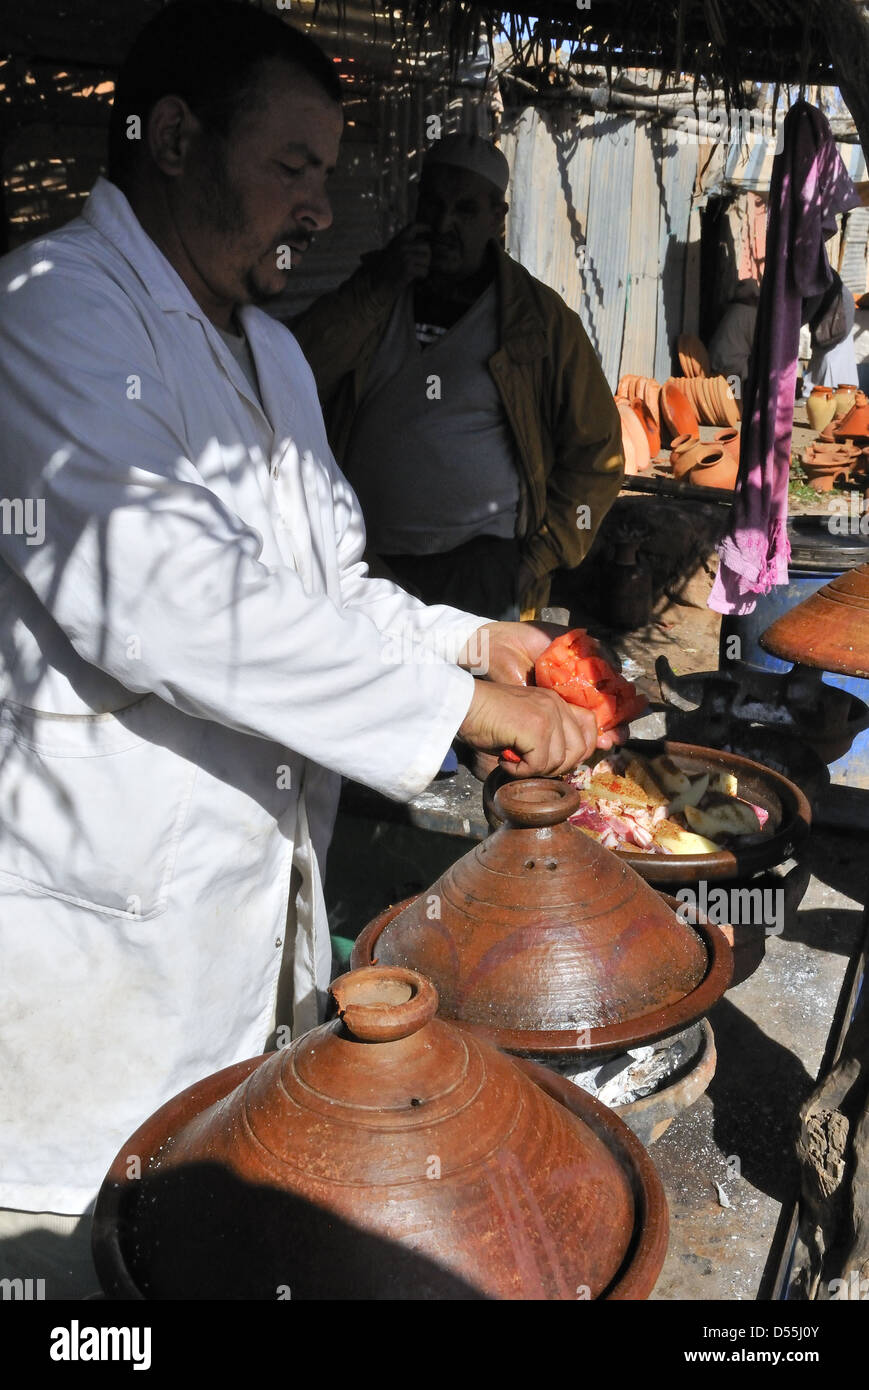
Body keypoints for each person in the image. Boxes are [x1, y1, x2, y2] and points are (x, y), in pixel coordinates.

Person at [0, 3, 622, 1296]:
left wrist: (475, 639)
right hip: (97, 986)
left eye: (331, 176)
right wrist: (458, 711)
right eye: (293, 167)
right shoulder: (53, 313)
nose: (326, 209)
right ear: (174, 139)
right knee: (86, 1286)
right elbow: (155, 595)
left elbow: (328, 592)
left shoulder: (273, 359)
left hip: (239, 963)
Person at [292, 135, 624, 621]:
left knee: (477, 696)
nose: (444, 224)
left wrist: (540, 557)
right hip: (362, 561)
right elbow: (296, 371)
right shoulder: (377, 292)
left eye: (465, 210)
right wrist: (375, 287)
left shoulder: (539, 322)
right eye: (433, 205)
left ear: (497, 218)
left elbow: (598, 451)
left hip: (480, 572)